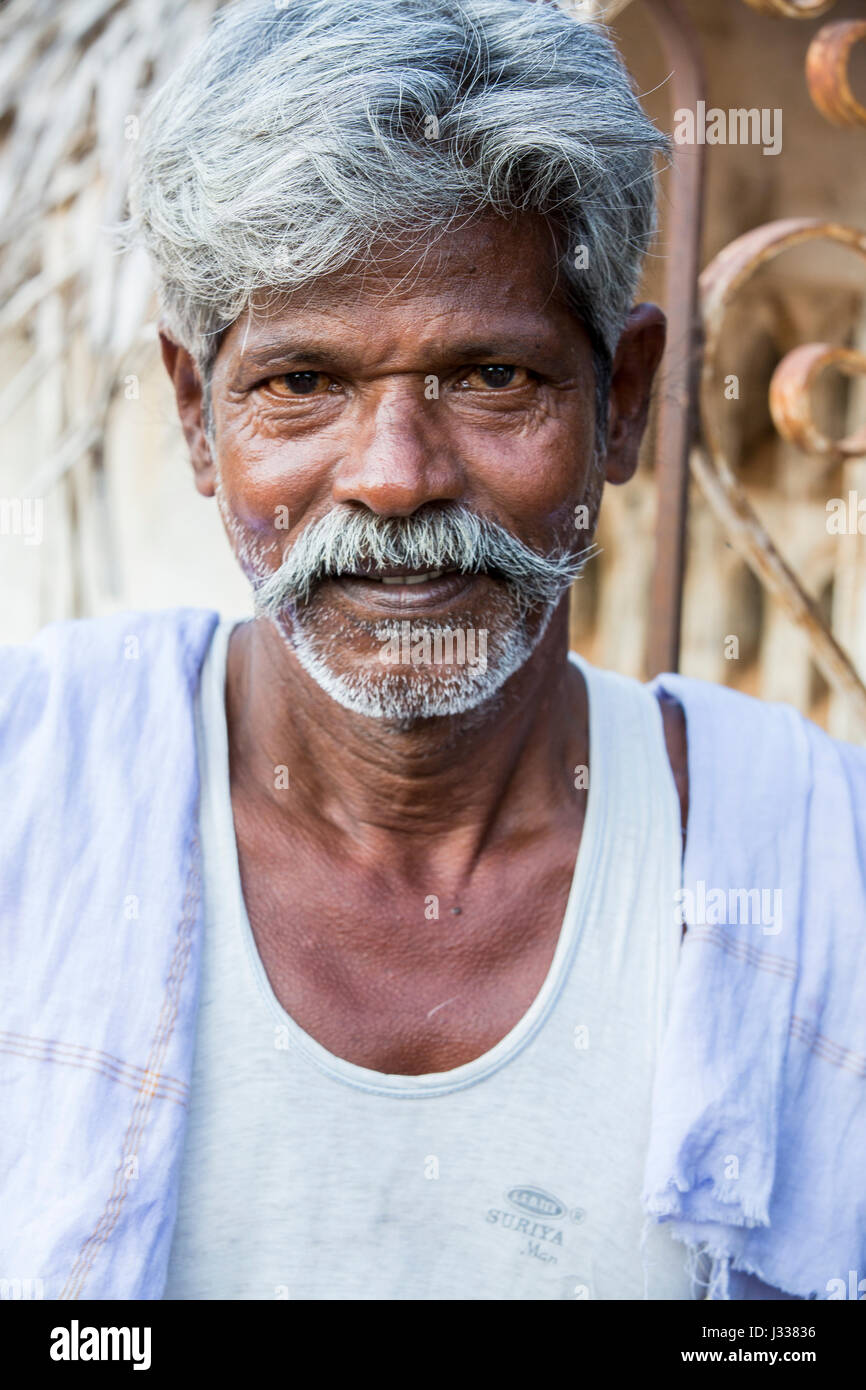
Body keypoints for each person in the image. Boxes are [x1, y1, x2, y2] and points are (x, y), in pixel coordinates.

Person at [2, 0, 864, 1302]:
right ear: (196, 415)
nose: (395, 478)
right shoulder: (30, 796)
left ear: (620, 404)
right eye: (301, 383)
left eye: (488, 378)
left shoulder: (819, 873)